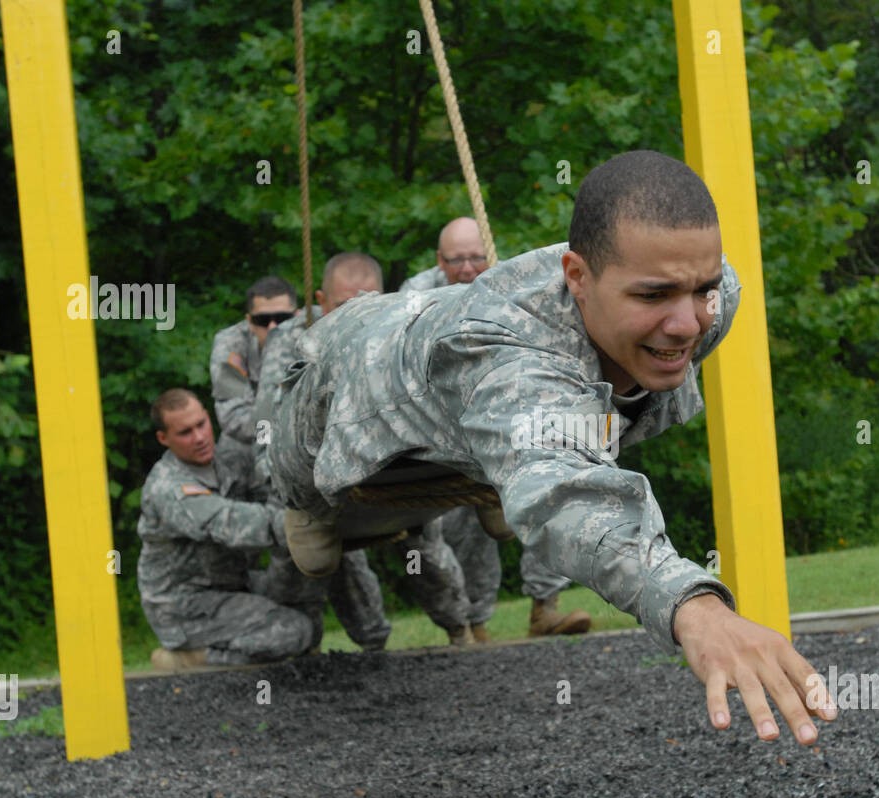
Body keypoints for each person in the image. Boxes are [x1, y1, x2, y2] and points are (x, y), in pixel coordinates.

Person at [269, 150, 835, 743]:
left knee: (532, 443)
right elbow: (571, 500)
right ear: (578, 277)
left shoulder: (719, 299)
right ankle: (326, 503)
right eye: (653, 296)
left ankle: (504, 464)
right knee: (295, 474)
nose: (688, 324)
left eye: (701, 289)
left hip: (485, 386)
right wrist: (693, 608)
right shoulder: (504, 357)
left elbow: (678, 316)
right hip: (345, 364)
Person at [257, 252, 475, 646]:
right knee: (321, 563)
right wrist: (283, 488)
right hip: (316, 470)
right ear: (321, 302)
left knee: (427, 551)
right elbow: (268, 423)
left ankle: (461, 628)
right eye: (343, 306)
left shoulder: (402, 326)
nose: (354, 316)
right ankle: (347, 645)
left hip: (390, 461)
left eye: (367, 302)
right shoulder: (288, 339)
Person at [402, 217, 592, 642]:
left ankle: (546, 607)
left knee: (553, 479)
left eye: (476, 258)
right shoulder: (414, 297)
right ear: (439, 260)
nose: (467, 268)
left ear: (490, 255)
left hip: (506, 418)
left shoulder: (516, 285)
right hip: (441, 430)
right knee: (460, 529)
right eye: (456, 260)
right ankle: (474, 625)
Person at [137, 388, 319, 668]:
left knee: (310, 610)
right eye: (185, 432)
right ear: (164, 438)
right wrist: (302, 524)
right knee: (293, 631)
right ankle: (192, 658)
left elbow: (269, 486)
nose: (199, 438)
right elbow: (227, 522)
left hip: (234, 584)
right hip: (185, 606)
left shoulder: (228, 459)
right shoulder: (166, 486)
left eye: (201, 425)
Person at [210, 276, 297, 450]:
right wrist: (277, 432)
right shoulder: (231, 345)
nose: (273, 328)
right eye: (263, 321)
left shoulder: (312, 335)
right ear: (249, 322)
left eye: (282, 319)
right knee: (233, 448)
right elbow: (234, 418)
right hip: (257, 437)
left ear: (297, 316)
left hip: (301, 434)